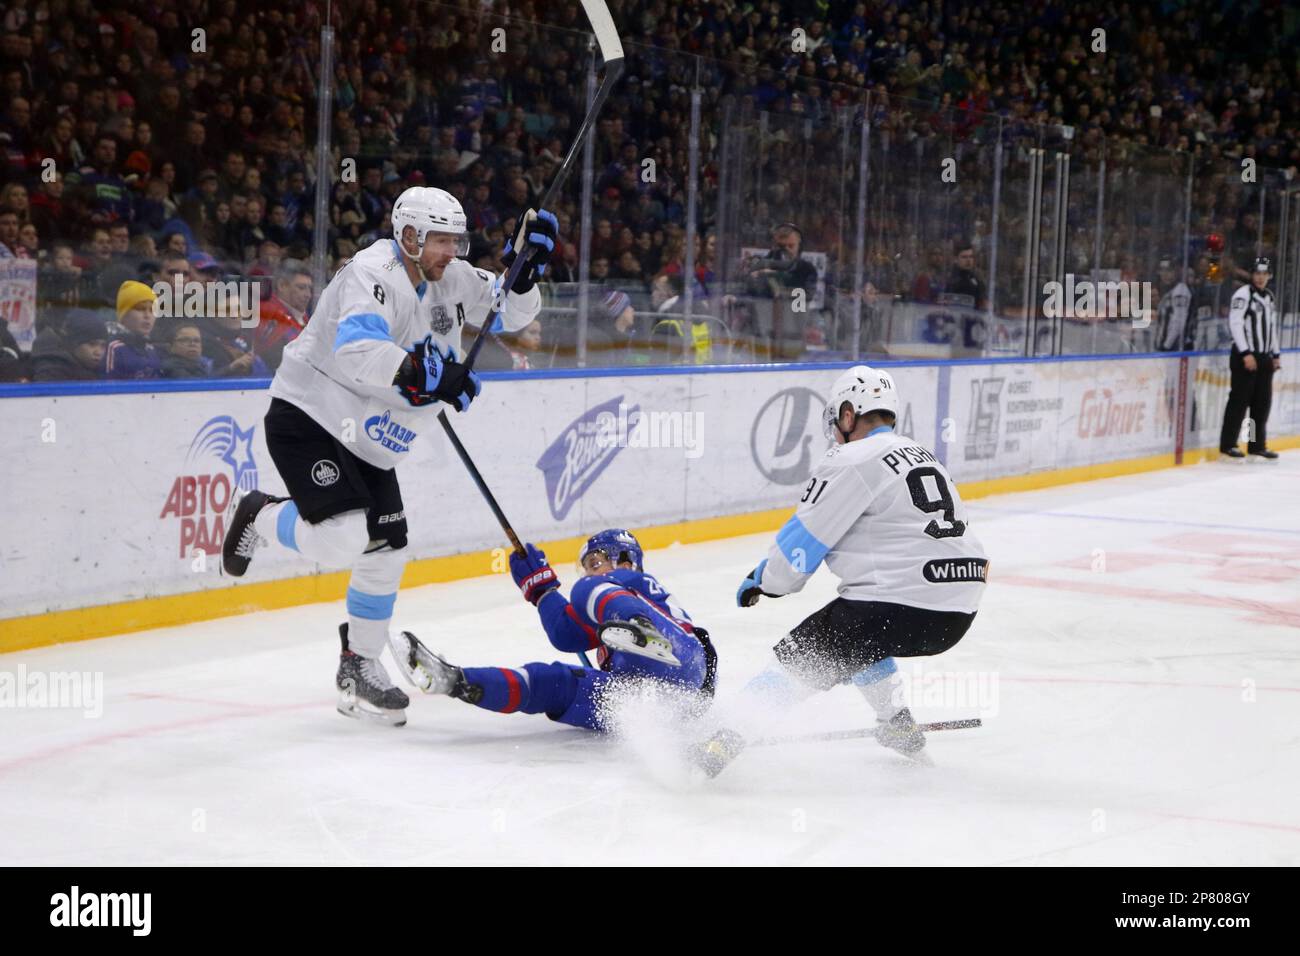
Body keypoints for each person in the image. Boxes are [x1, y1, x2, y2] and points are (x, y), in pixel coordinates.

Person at [221, 186, 557, 726]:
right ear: (409, 236)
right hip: (312, 415)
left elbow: (508, 314)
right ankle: (259, 513)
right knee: (343, 537)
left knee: (386, 549)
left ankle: (358, 666)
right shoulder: (371, 273)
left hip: (371, 439)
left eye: (456, 240)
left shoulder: (451, 276)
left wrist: (526, 272)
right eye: (440, 240)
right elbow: (359, 349)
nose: (451, 251)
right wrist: (432, 376)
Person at [696, 366, 988, 776]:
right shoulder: (922, 454)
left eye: (837, 421)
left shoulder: (851, 458)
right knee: (861, 635)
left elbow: (801, 549)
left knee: (796, 662)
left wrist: (766, 581)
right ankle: (897, 724)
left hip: (900, 605)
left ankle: (712, 749)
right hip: (957, 612)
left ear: (849, 414)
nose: (835, 432)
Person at [389, 530, 716, 731]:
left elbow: (590, 596)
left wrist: (611, 602)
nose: (590, 572)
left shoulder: (636, 583)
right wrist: (542, 590)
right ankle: (455, 681)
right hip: (644, 703)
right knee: (551, 682)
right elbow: (565, 634)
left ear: (626, 561)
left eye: (596, 562)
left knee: (585, 590)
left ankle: (641, 627)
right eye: (589, 567)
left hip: (680, 658)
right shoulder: (608, 618)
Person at [1219, 257, 1281, 460]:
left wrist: (1275, 354)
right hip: (1245, 357)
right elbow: (1235, 324)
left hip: (1264, 358)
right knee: (1239, 402)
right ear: (1252, 275)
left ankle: (1256, 445)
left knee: (1261, 404)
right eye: (1257, 273)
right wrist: (1245, 353)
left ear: (1269, 276)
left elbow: (1271, 328)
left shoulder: (1269, 297)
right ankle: (1228, 444)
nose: (1261, 277)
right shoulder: (1243, 294)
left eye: (1264, 274)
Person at [104, 281, 163, 379]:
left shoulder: (151, 348)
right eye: (140, 309)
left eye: (152, 310)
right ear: (124, 314)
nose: (147, 315)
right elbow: (109, 386)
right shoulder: (113, 348)